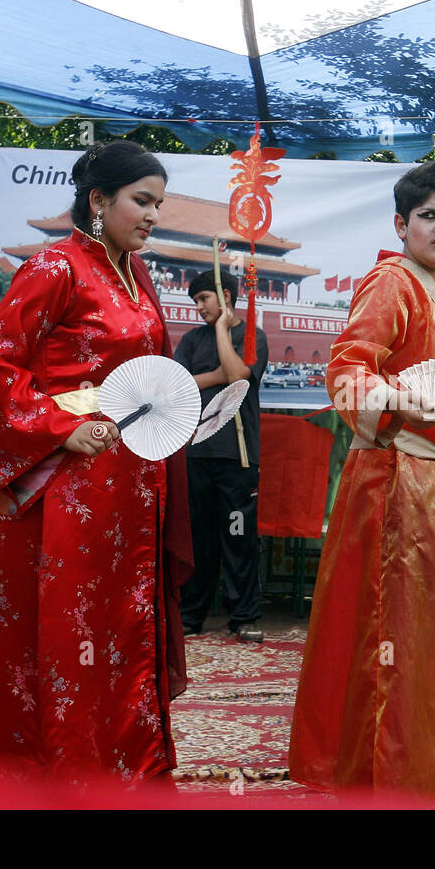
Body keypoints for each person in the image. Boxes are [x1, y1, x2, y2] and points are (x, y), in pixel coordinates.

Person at [0, 140, 189, 781]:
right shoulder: (54, 268)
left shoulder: (133, 271)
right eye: (141, 201)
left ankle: (127, 769)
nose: (153, 215)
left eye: (158, 203)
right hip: (71, 484)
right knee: (70, 629)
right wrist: (62, 428)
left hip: (132, 481)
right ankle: (61, 777)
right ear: (98, 200)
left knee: (123, 628)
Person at [288, 160, 435, 802]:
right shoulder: (393, 282)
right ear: (401, 224)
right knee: (389, 632)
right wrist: (395, 398)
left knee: (417, 635)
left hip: (428, 479)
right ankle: (381, 777)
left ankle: (408, 770)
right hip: (396, 479)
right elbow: (345, 368)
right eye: (428, 215)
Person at [174, 270, 268, 642]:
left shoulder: (252, 336)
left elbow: (237, 377)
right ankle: (191, 615)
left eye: (203, 300)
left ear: (225, 296)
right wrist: (214, 375)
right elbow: (177, 386)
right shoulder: (189, 340)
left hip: (237, 455)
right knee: (199, 537)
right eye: (195, 301)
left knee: (237, 533)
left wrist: (221, 332)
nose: (198, 308)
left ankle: (243, 615)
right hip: (196, 450)